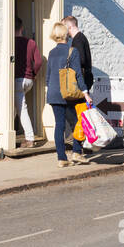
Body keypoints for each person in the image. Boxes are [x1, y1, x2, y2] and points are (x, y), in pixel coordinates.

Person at [46, 22, 92, 166]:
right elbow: (78, 75)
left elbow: (48, 76)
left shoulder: (52, 53)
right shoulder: (72, 51)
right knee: (80, 121)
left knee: (59, 125)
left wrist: (52, 88)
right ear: (66, 34)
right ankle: (77, 152)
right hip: (68, 93)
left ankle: (61, 159)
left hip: (53, 93)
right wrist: (86, 93)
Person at [63, 15, 94, 151]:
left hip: (82, 80)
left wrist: (68, 61)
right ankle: (81, 140)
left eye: (65, 28)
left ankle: (79, 140)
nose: (64, 32)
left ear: (70, 27)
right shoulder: (80, 38)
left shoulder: (78, 40)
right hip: (84, 79)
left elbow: (80, 60)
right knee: (79, 112)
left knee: (74, 112)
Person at [14, 18, 44, 148]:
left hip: (17, 80)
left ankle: (30, 138)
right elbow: (38, 62)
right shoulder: (31, 43)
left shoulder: (11, 43)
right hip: (29, 80)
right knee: (16, 107)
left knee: (21, 109)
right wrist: (34, 74)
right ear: (22, 28)